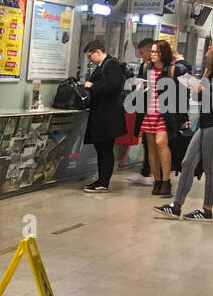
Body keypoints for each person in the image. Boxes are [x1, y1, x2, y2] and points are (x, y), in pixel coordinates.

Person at [155, 40, 213, 221]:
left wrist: (200, 87)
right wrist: (205, 75)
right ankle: (176, 205)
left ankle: (207, 210)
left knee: (209, 168)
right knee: (187, 162)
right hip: (205, 123)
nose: (208, 50)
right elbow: (198, 96)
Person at [137, 40, 187, 196]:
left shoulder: (173, 70)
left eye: (157, 52)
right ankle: (157, 180)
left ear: (164, 54)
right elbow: (140, 89)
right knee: (151, 148)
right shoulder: (146, 68)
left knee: (161, 143)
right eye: (152, 52)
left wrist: (183, 116)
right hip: (148, 112)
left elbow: (183, 93)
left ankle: (166, 181)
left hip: (166, 113)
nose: (153, 55)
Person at [80, 39, 128, 192]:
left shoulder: (111, 64)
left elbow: (114, 86)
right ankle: (101, 180)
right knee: (101, 149)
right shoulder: (103, 65)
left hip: (108, 116)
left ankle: (103, 182)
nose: (90, 60)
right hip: (102, 115)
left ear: (98, 52)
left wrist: (92, 86)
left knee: (105, 149)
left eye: (90, 56)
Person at [131, 38, 154, 183]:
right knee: (146, 141)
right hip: (143, 105)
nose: (141, 56)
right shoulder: (144, 65)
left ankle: (152, 173)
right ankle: (146, 171)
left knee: (153, 142)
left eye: (142, 52)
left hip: (153, 109)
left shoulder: (160, 67)